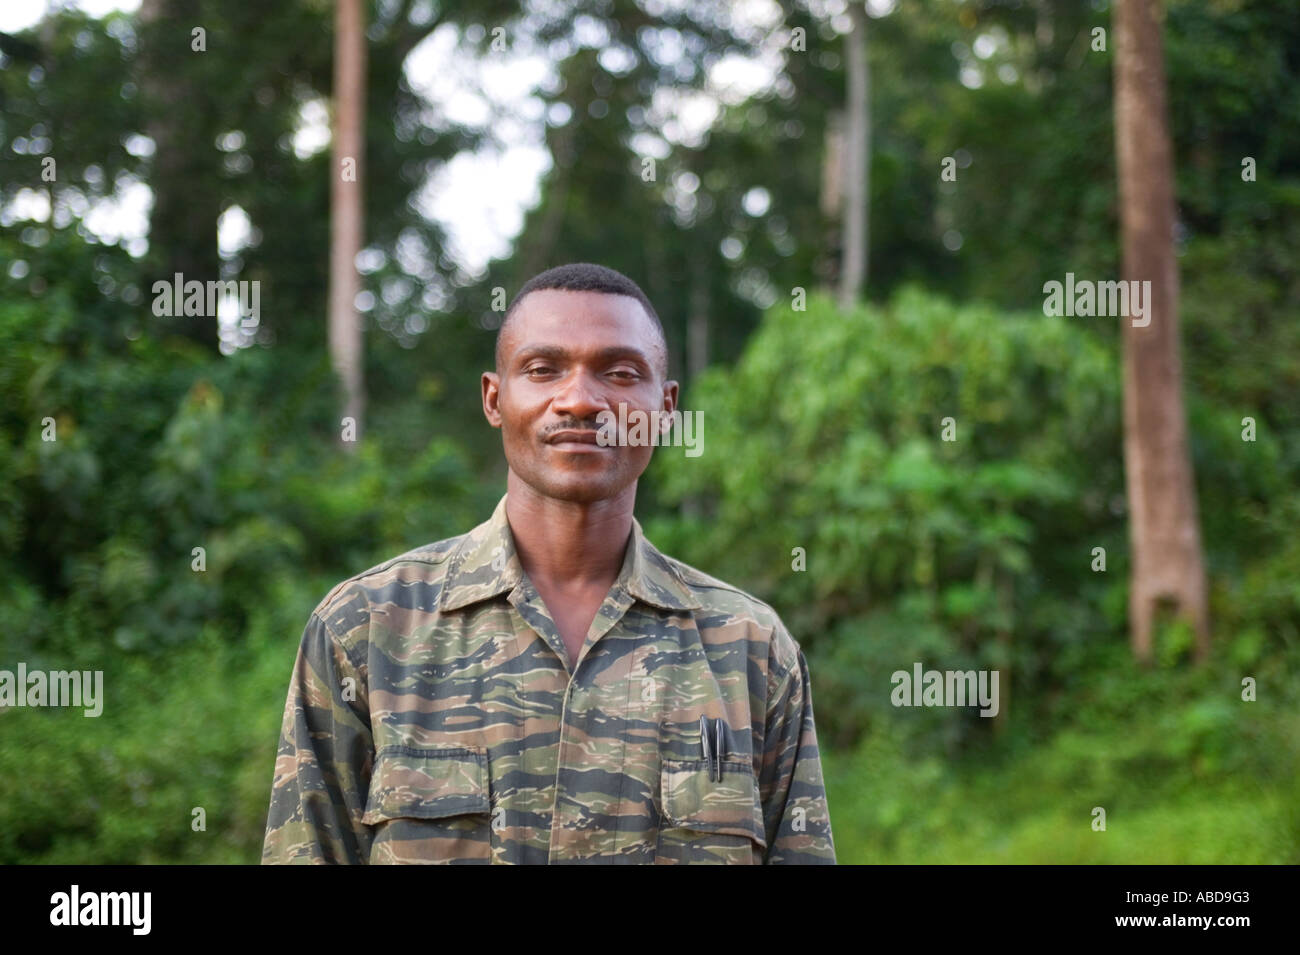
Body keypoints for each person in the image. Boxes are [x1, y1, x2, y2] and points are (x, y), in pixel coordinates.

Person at [261, 262, 836, 864]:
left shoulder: (752, 650)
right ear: (495, 398)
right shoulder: (366, 629)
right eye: (543, 370)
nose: (582, 401)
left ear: (664, 409)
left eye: (619, 373)